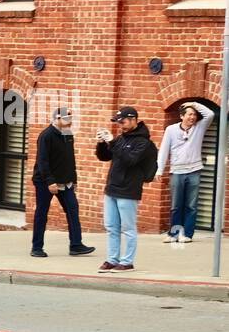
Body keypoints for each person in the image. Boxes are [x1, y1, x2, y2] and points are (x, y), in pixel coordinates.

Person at [95, 105, 158, 273]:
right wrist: (102, 143)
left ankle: (127, 262)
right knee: (111, 227)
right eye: (118, 122)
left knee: (128, 228)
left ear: (133, 120)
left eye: (122, 122)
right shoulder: (122, 138)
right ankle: (112, 259)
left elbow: (130, 159)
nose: (120, 125)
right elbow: (105, 157)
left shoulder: (143, 143)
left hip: (129, 191)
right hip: (112, 189)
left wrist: (113, 142)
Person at [30, 107, 94, 258]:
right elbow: (42, 161)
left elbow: (70, 159)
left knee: (73, 209)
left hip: (66, 181)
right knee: (42, 213)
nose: (70, 122)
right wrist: (50, 182)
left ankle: (76, 245)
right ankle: (37, 247)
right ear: (57, 119)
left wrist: (74, 179)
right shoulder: (46, 136)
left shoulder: (68, 134)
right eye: (67, 119)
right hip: (45, 182)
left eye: (71, 119)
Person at [156, 101, 214, 243]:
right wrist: (159, 170)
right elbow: (164, 149)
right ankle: (174, 234)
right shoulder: (171, 130)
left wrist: (194, 104)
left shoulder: (199, 127)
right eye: (189, 114)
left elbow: (210, 114)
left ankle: (187, 234)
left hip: (194, 171)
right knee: (176, 205)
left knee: (191, 206)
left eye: (194, 115)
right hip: (177, 171)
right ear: (182, 116)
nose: (192, 117)